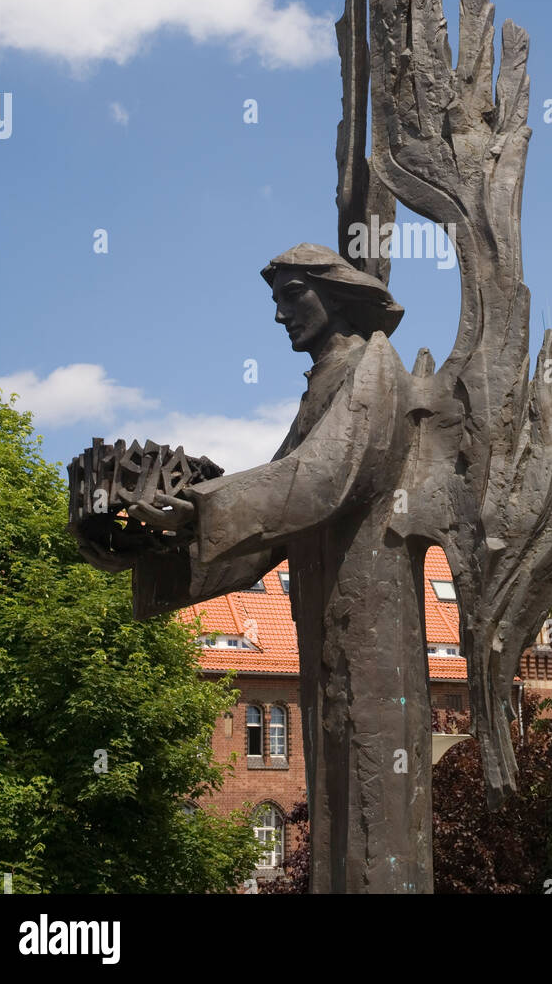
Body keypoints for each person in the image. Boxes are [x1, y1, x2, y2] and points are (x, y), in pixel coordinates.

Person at [108, 244, 434, 892]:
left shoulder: (375, 370)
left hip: (375, 642)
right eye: (275, 301)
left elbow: (314, 482)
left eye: (290, 296)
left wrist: (198, 510)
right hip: (323, 643)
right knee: (337, 825)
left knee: (376, 825)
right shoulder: (321, 391)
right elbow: (264, 540)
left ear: (332, 292)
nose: (280, 315)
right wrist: (145, 558)